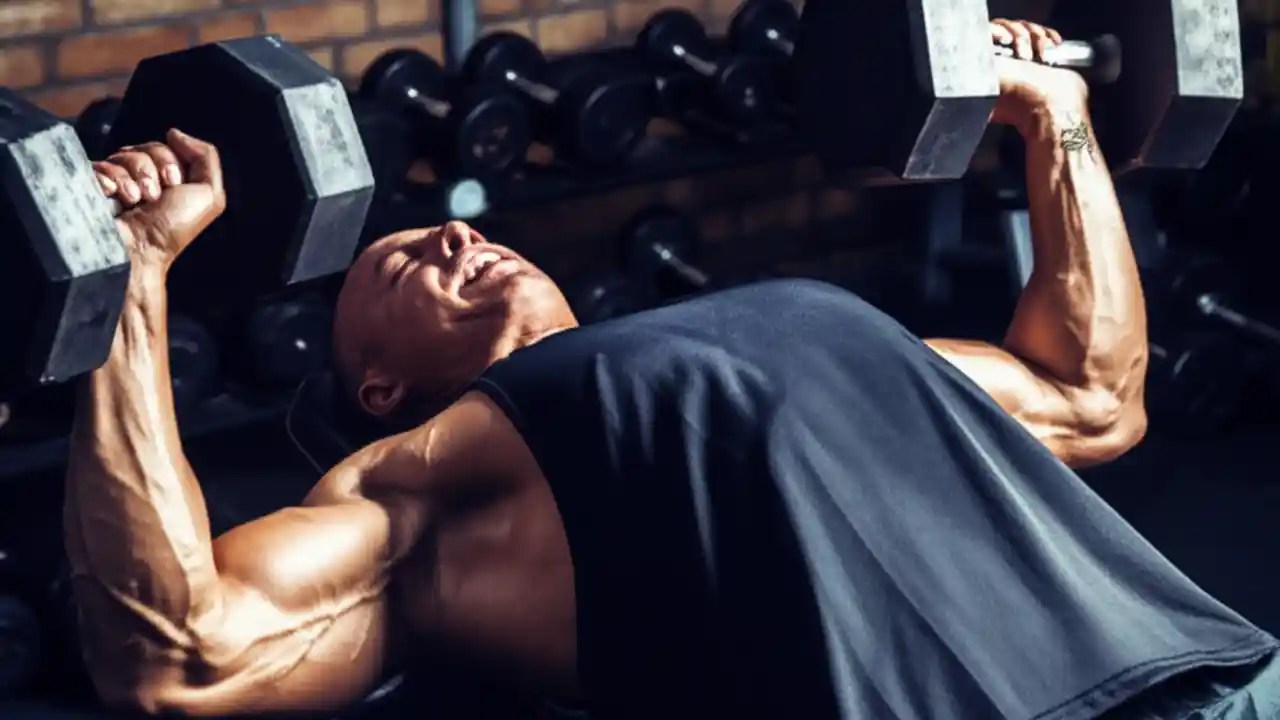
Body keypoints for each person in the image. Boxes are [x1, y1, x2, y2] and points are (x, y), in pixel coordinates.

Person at [66, 19, 1278, 720]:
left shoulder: (784, 331)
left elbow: (1089, 393)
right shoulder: (421, 481)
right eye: (399, 268)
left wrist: (1052, 116)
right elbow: (183, 654)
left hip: (1220, 678)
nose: (451, 238)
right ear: (377, 387)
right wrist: (133, 278)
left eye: (455, 232)